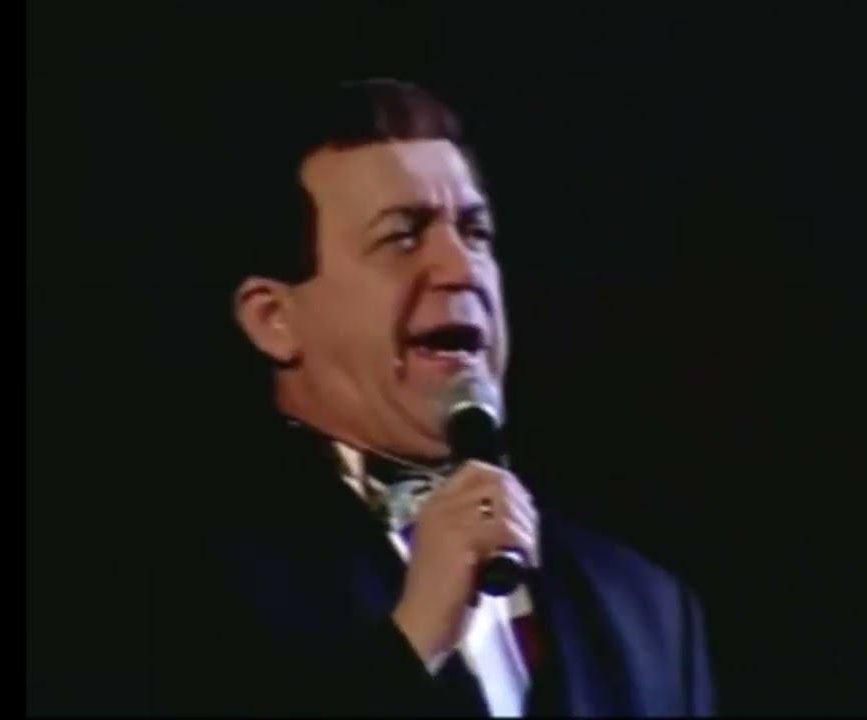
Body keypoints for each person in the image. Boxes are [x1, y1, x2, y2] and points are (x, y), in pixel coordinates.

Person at [146, 78, 714, 716]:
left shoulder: (647, 611)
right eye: (403, 237)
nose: (462, 269)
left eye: (475, 232)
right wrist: (414, 640)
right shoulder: (163, 579)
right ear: (275, 319)